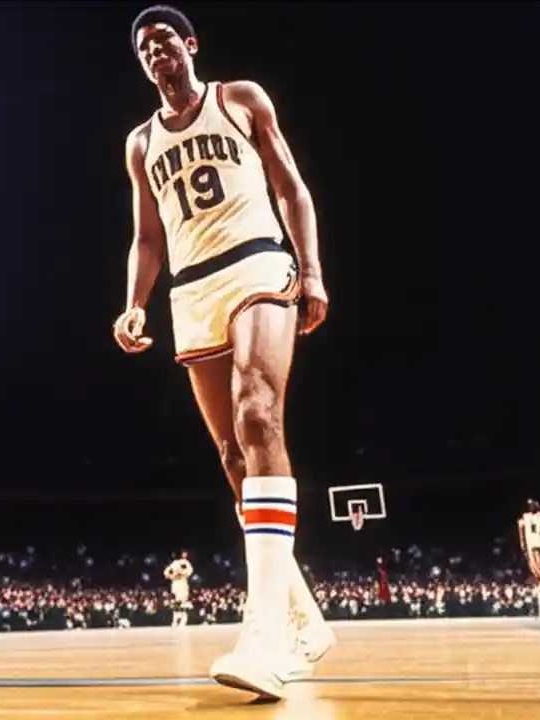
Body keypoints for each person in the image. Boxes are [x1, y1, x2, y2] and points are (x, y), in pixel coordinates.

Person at [113, 4, 333, 699]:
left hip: (259, 262)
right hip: (191, 289)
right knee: (233, 458)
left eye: (165, 41)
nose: (156, 53)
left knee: (258, 415)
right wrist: (134, 302)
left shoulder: (239, 98)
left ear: (190, 45)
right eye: (145, 47)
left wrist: (314, 269)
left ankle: (263, 628)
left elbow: (290, 187)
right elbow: (147, 236)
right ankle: (304, 616)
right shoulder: (140, 142)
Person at [163, 551, 194, 627]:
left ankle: (183, 620)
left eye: (186, 553)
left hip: (183, 583)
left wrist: (182, 573)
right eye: (183, 553)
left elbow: (189, 571)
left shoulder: (186, 563)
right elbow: (166, 572)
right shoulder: (174, 563)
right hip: (175, 584)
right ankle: (175, 619)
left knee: (183, 602)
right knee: (175, 602)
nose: (185, 555)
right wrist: (171, 576)